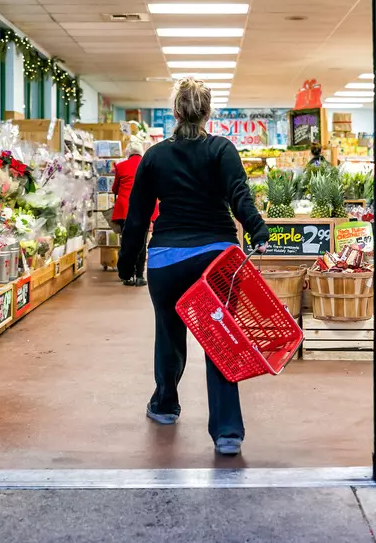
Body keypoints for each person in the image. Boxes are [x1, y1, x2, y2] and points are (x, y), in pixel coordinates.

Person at [118, 78, 269, 457]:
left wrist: (126, 264)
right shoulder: (222, 149)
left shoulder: (154, 156)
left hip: (167, 259)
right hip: (216, 259)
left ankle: (165, 406)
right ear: (208, 113)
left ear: (174, 112)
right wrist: (258, 231)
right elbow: (240, 195)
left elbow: (136, 217)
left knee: (169, 335)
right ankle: (227, 432)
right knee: (221, 339)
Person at [111, 141, 158, 286]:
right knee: (142, 242)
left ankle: (127, 275)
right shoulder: (148, 164)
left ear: (128, 153)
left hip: (124, 209)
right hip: (143, 208)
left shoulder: (120, 166)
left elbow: (114, 189)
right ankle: (139, 276)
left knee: (126, 242)